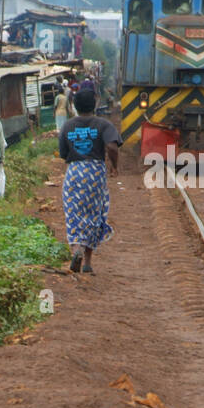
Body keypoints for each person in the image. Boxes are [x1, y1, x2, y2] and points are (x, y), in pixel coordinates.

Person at [59, 88, 122, 274]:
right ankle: (87, 262)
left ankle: (76, 249)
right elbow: (112, 146)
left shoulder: (67, 126)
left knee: (73, 214)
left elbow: (63, 154)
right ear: (94, 104)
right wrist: (114, 165)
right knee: (93, 216)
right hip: (95, 172)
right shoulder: (103, 124)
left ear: (75, 106)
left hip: (74, 172)